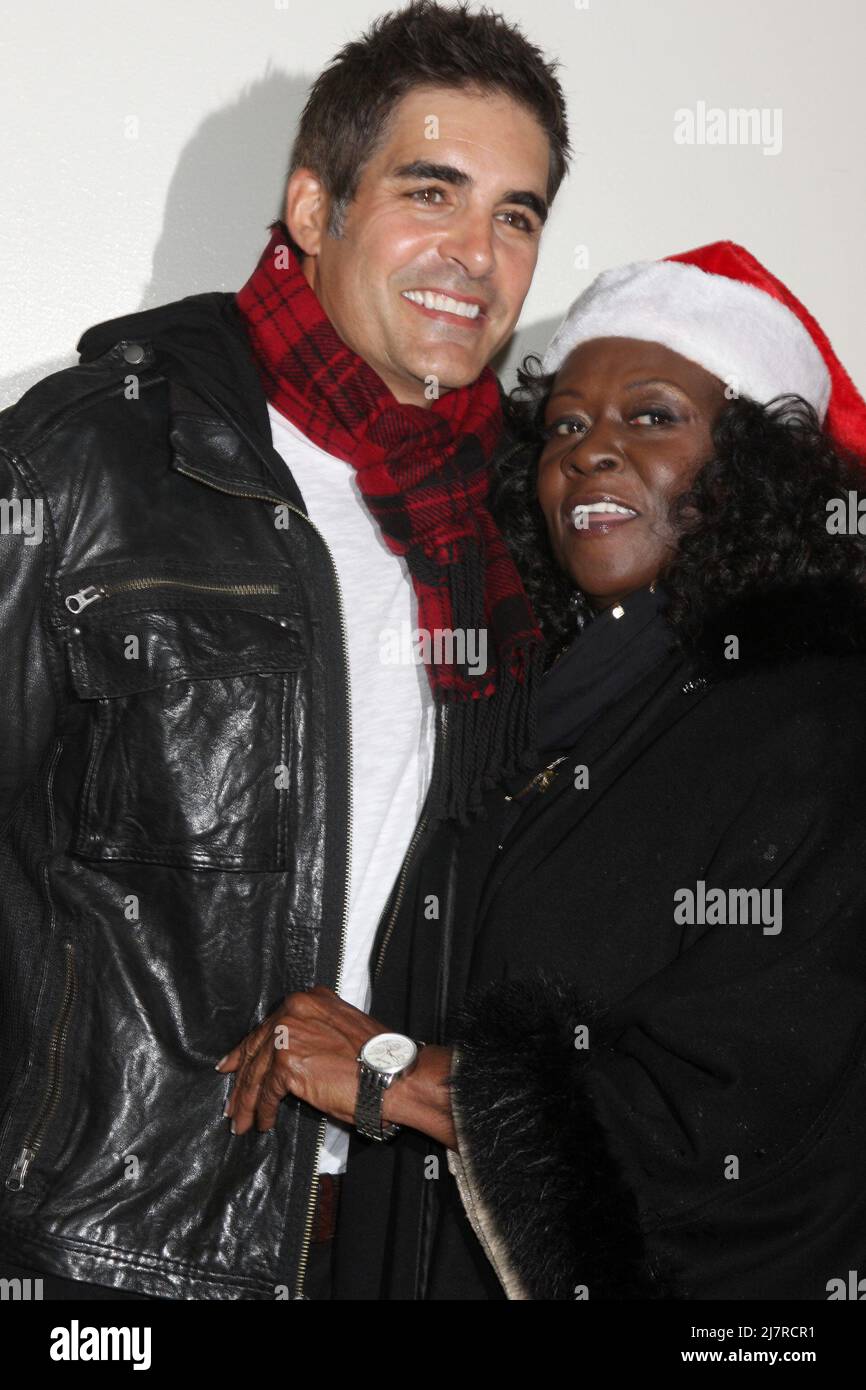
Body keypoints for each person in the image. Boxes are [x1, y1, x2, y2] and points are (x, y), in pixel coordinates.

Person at [0, 1, 570, 1300]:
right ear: (312, 209)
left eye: (515, 214)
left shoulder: (521, 525)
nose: (474, 255)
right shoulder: (87, 461)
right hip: (118, 1252)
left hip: (421, 1232)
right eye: (432, 193)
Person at [223, 242, 866, 1299]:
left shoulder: (819, 719)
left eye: (652, 417)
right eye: (564, 425)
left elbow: (757, 1109)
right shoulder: (527, 707)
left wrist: (398, 1079)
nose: (590, 452)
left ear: (751, 459)